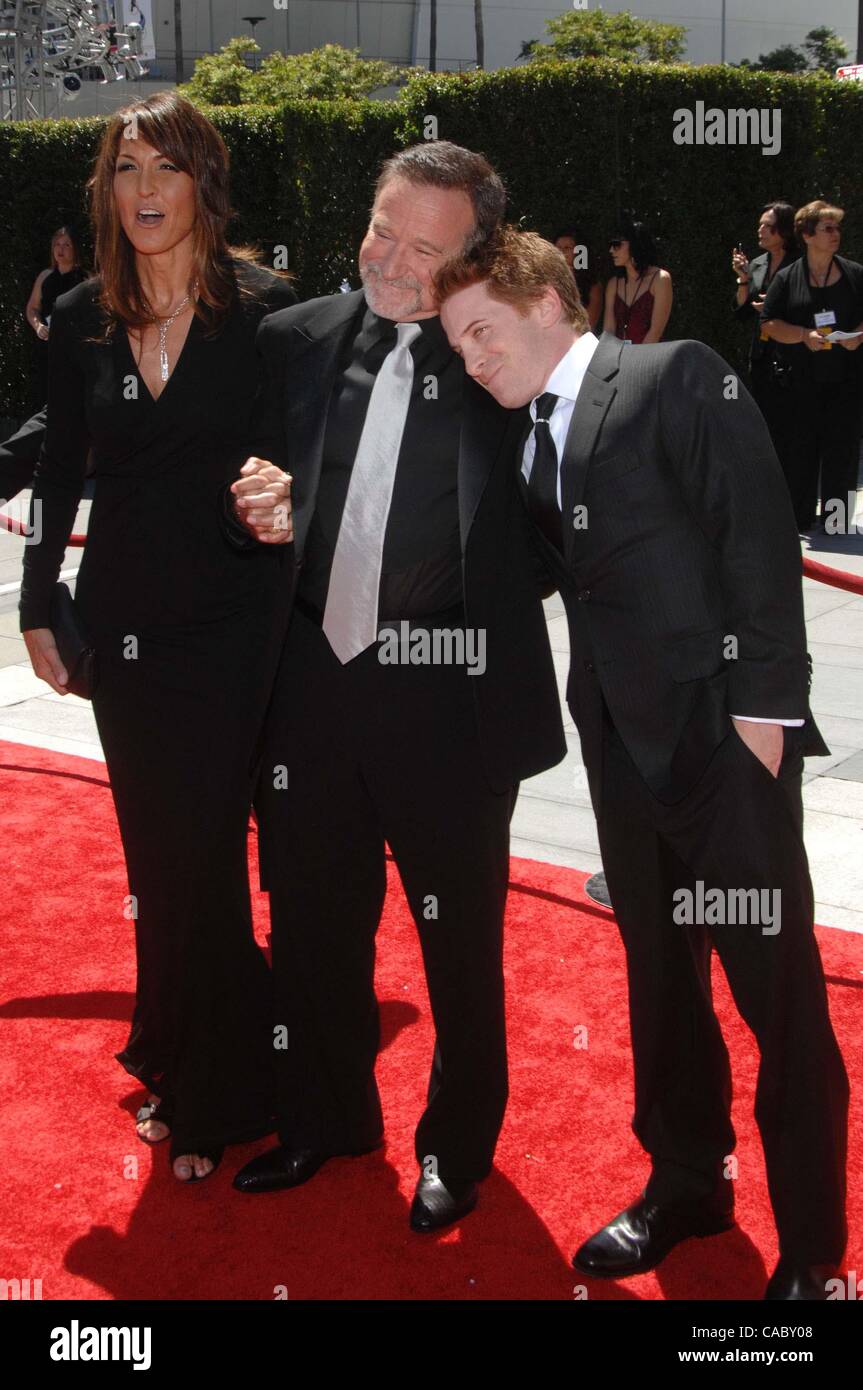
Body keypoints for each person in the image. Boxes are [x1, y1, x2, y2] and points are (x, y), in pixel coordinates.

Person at [436, 226, 848, 1300]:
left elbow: (755, 539)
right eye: (456, 345)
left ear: (540, 300)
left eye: (479, 332)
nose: (470, 358)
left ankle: (810, 1248)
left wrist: (761, 722)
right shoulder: (521, 438)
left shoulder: (673, 375)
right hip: (620, 755)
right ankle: (685, 1184)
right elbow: (508, 572)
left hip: (723, 748)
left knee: (778, 1003)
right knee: (659, 987)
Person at [224, 141, 566, 1232]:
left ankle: (453, 1150)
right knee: (313, 928)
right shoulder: (293, 339)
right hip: (310, 696)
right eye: (382, 229)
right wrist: (259, 504)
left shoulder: (504, 363)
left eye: (426, 247)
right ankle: (325, 1117)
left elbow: (561, 530)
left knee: (455, 946)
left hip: (451, 708)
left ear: (479, 256)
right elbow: (253, 490)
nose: (391, 259)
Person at [19, 90, 298, 1183]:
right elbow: (55, 472)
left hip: (236, 622)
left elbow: (300, 456)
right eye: (125, 170)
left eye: (164, 168)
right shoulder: (83, 313)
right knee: (160, 854)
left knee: (205, 857)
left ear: (201, 183)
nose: (143, 190)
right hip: (124, 624)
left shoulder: (269, 310)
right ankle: (184, 1043)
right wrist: (40, 598)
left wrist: (281, 491)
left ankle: (218, 1086)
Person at [760, 200, 863, 532]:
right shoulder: (788, 279)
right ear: (806, 235)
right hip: (800, 384)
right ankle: (799, 517)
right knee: (800, 453)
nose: (836, 235)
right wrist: (803, 335)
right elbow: (769, 324)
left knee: (842, 453)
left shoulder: (855, 274)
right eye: (827, 228)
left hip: (845, 382)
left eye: (837, 228)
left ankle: (835, 523)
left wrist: (857, 336)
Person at [731, 201, 798, 476]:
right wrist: (743, 279)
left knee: (789, 424)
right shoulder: (757, 264)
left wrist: (773, 306)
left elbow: (805, 305)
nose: (760, 230)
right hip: (761, 353)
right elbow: (742, 312)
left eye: (767, 226)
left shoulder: (799, 264)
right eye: (759, 225)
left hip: (792, 354)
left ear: (783, 230)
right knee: (763, 421)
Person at [24, 227, 88, 414]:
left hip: (76, 349)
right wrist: (38, 326)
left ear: (75, 248)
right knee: (46, 396)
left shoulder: (86, 278)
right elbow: (32, 308)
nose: (61, 249)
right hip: (48, 347)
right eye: (57, 245)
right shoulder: (45, 277)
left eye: (67, 245)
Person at [603, 219, 672, 343]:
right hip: (619, 358)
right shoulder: (614, 284)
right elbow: (609, 331)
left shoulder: (660, 279)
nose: (611, 250)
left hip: (649, 358)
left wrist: (636, 360)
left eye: (617, 245)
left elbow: (655, 331)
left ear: (634, 244)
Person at [553, 227, 602, 331]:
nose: (561, 252)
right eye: (558, 248)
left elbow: (589, 324)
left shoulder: (593, 286)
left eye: (567, 248)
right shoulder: (548, 281)